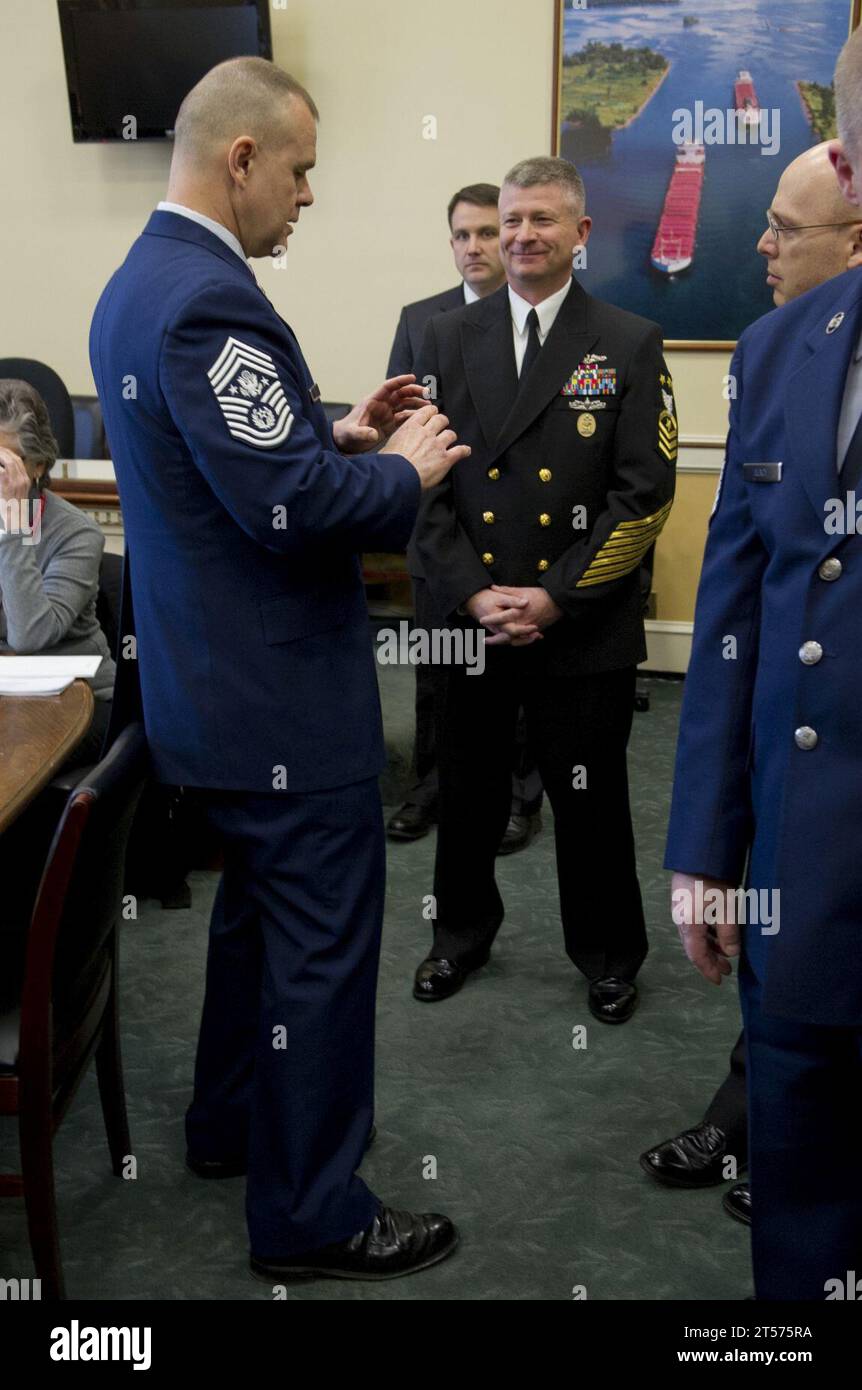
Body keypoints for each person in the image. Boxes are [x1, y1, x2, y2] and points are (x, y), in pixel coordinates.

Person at [89, 57, 471, 1282]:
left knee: (256, 924)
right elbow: (295, 512)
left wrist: (336, 430)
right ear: (242, 159)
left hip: (212, 696)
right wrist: (404, 468)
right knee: (316, 950)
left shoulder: (140, 282)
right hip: (280, 704)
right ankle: (311, 1212)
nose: (307, 195)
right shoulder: (212, 298)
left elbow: (242, 467)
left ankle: (228, 1126)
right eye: (300, 169)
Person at [665, 26, 862, 1300]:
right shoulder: (780, 346)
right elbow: (736, 606)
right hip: (803, 878)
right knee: (800, 1216)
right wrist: (703, 845)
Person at [411, 157, 676, 1015]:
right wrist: (472, 593)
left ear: (580, 236)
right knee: (468, 790)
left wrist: (558, 595)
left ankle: (607, 955)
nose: (522, 236)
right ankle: (457, 937)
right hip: (471, 615)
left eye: (542, 222)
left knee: (589, 799)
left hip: (580, 620)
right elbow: (422, 481)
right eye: (511, 220)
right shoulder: (446, 338)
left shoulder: (629, 341)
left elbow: (645, 496)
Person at [386, 184, 544, 855]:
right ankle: (430, 786)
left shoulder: (536, 317)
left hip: (515, 530)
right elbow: (399, 419)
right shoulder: (423, 319)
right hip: (441, 526)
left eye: (486, 232)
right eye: (462, 235)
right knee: (438, 672)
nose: (475, 247)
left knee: (517, 676)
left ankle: (518, 795)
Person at [0, 377, 116, 1011]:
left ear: (37, 466)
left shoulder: (73, 532)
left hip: (75, 703)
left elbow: (32, 632)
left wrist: (12, 527)